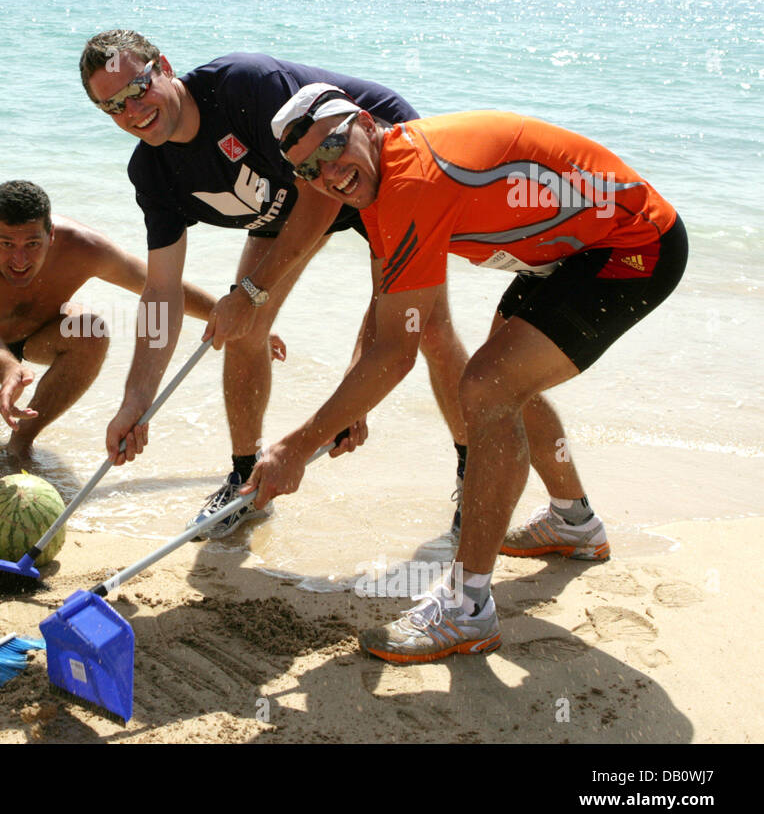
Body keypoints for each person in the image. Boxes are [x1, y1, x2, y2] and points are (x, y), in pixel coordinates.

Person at [250, 84, 687, 662]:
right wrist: (348, 412)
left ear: (363, 122)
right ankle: (573, 522)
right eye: (309, 168)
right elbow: (392, 322)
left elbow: (394, 354)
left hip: (634, 243)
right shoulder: (383, 180)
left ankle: (468, 608)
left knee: (487, 386)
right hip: (569, 250)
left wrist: (295, 446)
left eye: (333, 147)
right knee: (507, 379)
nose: (329, 172)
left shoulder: (413, 181)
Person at [79, 30, 472, 541]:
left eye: (137, 88)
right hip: (290, 201)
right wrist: (135, 399)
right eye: (113, 106)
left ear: (166, 67)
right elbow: (161, 293)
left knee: (427, 329)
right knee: (243, 330)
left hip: (368, 168)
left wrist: (251, 293)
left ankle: (475, 468)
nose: (132, 111)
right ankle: (247, 480)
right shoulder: (153, 172)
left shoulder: (244, 86)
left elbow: (325, 195)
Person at [0, 180, 258, 464]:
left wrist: (233, 315)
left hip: (41, 329)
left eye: (32, 245)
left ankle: (21, 442)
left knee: (91, 331)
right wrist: (8, 369)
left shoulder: (83, 246)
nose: (19, 261)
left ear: (51, 235)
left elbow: (158, 284)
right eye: (7, 244)